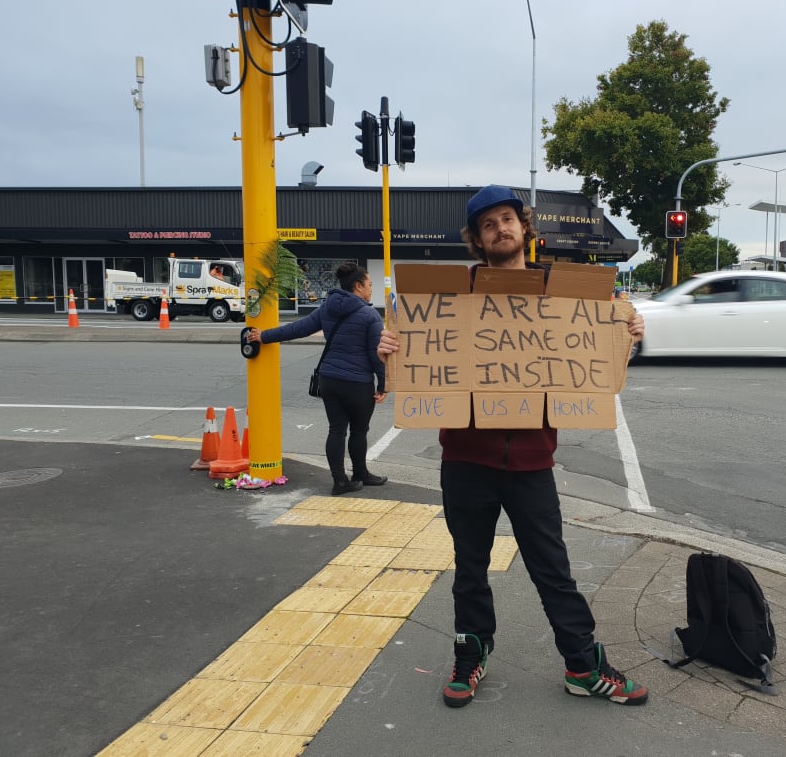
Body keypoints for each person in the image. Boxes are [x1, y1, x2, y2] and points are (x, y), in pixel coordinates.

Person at [377, 185, 648, 708]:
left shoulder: (561, 293)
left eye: (507, 219)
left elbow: (596, 365)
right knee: (469, 567)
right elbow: (411, 351)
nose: (500, 229)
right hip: (464, 459)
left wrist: (625, 333)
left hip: (531, 461)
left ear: (525, 227)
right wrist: (389, 348)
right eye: (487, 224)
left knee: (553, 570)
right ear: (477, 240)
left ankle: (583, 666)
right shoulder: (450, 294)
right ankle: (470, 655)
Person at [246, 263, 387, 495]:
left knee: (336, 430)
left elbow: (297, 329)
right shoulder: (369, 315)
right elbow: (376, 355)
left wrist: (265, 336)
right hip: (357, 383)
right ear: (358, 286)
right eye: (370, 285)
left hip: (329, 380)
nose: (371, 289)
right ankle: (360, 473)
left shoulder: (327, 308)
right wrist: (383, 384)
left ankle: (340, 481)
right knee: (359, 430)